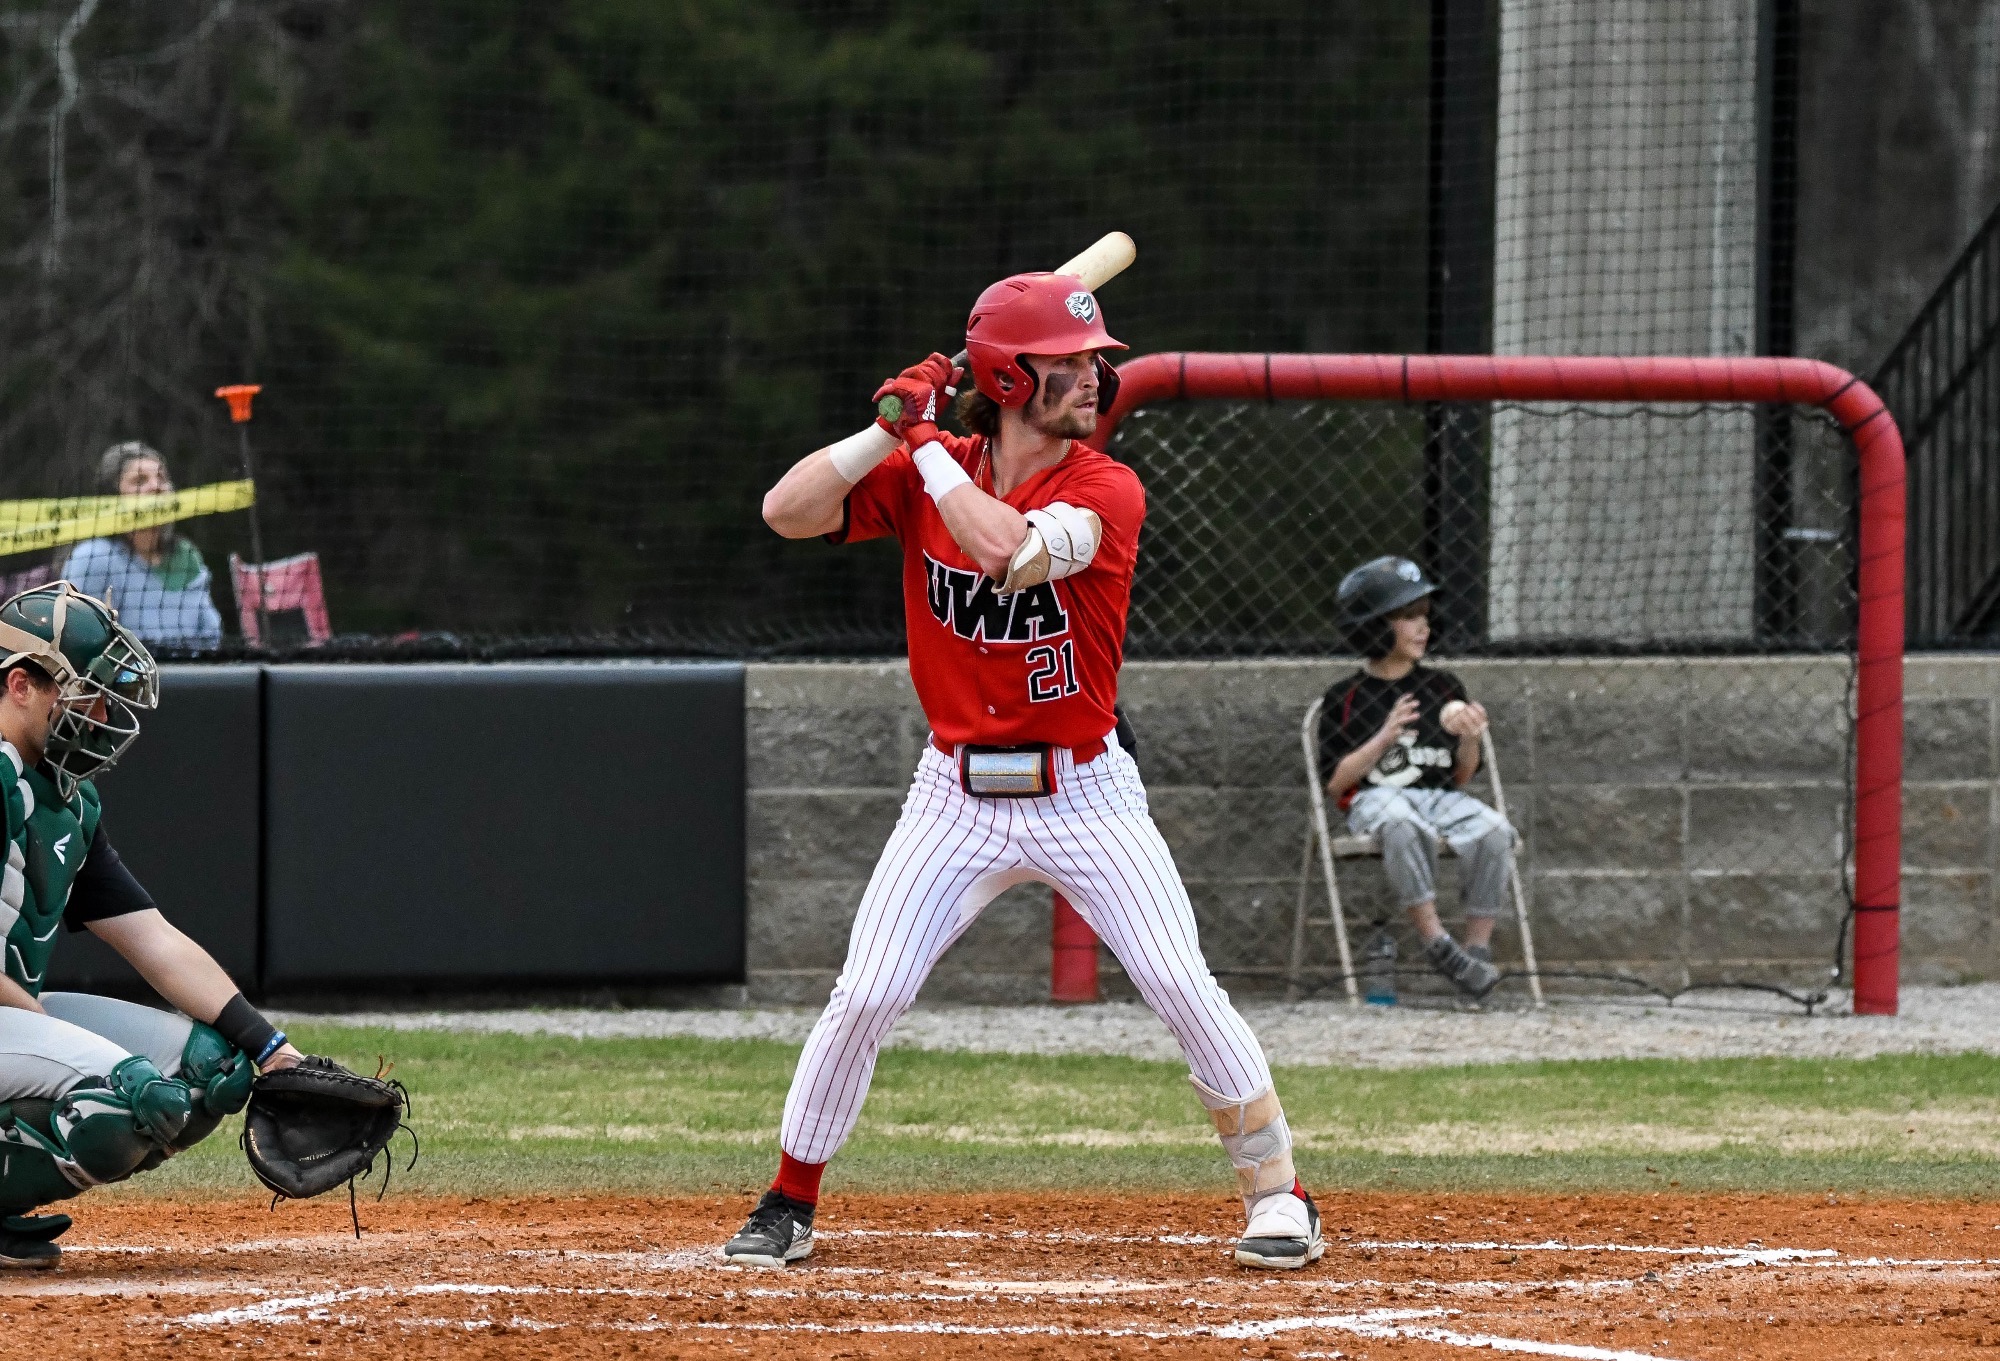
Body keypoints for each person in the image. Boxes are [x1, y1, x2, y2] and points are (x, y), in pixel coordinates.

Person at [728, 272, 1323, 1272]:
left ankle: (1280, 1194)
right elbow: (784, 510)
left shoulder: (1102, 485)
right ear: (1007, 375)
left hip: (1084, 788)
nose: (1095, 376)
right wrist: (888, 426)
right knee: (866, 992)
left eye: (1095, 360)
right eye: (1068, 361)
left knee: (1178, 979)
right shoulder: (935, 465)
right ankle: (789, 1199)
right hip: (953, 791)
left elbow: (1004, 552)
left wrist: (916, 442)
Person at [0, 580, 300, 1268]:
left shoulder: (67, 799)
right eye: (82, 694)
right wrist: (102, 1060)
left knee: (211, 1071)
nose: (100, 712)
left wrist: (271, 1046)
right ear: (20, 685)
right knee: (128, 1094)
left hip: (10, 1017)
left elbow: (152, 937)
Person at [1316, 556, 1515, 1000]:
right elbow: (1336, 783)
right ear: (1373, 626)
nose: (1421, 627)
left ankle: (1475, 954)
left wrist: (1470, 737)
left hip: (1439, 798)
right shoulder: (1345, 698)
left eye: (1424, 615)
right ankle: (1437, 943)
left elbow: (1461, 776)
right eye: (1407, 617)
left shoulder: (1444, 687)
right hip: (1377, 800)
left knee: (1496, 831)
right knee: (1402, 824)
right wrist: (1385, 735)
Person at [62, 442, 224, 649]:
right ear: (113, 499)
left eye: (162, 479)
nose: (157, 487)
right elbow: (79, 642)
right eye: (140, 481)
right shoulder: (93, 557)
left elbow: (211, 635)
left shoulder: (186, 555)